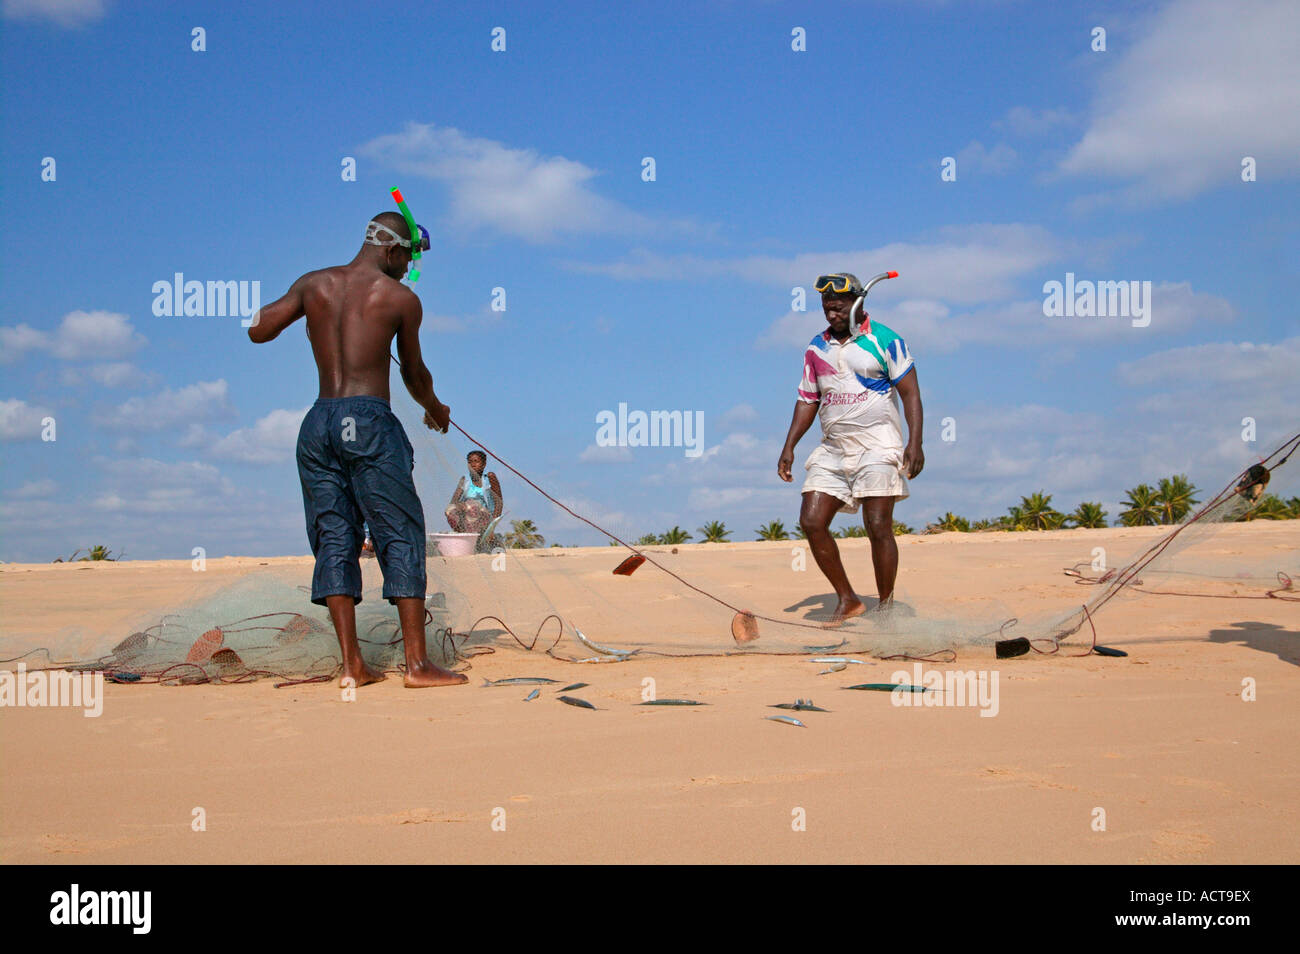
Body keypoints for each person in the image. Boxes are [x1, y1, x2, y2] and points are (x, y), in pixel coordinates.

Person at [248, 211, 467, 688]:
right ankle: (416, 666)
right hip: (367, 421)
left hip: (319, 422)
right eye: (409, 256)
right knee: (400, 531)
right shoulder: (401, 300)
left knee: (333, 535)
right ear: (391, 249)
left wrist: (299, 308)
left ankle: (352, 667)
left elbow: (258, 330)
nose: (409, 266)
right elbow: (413, 373)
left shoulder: (314, 284)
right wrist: (436, 408)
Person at [777, 273, 924, 624]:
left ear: (859, 302)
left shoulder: (886, 340)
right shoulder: (816, 348)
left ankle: (886, 608)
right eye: (827, 309)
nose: (832, 315)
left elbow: (910, 394)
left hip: (878, 445)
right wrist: (789, 446)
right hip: (834, 448)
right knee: (811, 520)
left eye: (839, 308)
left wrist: (914, 442)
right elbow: (807, 400)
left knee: (877, 525)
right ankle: (848, 599)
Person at [445, 450, 503, 538]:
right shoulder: (465, 479)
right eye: (470, 462)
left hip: (485, 516)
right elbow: (453, 501)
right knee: (449, 509)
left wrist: (492, 526)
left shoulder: (490, 477)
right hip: (467, 515)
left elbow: (499, 503)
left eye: (476, 461)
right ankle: (463, 534)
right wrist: (460, 504)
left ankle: (479, 535)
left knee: (472, 505)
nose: (472, 464)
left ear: (484, 464)